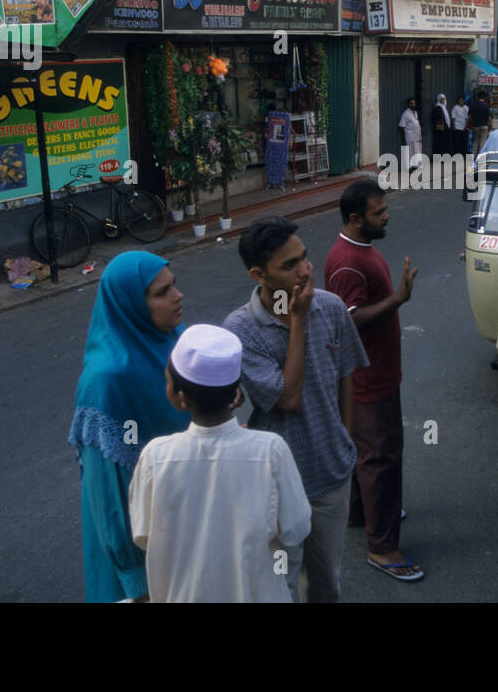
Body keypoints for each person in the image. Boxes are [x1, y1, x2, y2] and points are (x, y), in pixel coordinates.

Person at [223, 217, 367, 603]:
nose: (305, 270)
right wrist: (298, 320)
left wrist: (346, 443)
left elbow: (346, 377)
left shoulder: (332, 308)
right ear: (258, 274)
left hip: (332, 476)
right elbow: (287, 398)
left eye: (304, 258)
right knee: (282, 587)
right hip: (275, 484)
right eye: (289, 265)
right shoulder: (241, 329)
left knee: (325, 585)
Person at [128, 324, 312, 603]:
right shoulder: (271, 451)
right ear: (235, 392)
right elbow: (295, 529)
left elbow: (143, 536)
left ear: (181, 397)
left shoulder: (156, 457)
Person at [68, 252, 189, 602]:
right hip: (138, 536)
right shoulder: (107, 380)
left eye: (174, 285)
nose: (177, 296)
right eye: (161, 292)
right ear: (130, 306)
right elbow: (106, 490)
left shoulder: (173, 340)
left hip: (184, 512)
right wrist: (137, 579)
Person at [324, 180, 424, 582]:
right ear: (354, 219)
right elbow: (349, 319)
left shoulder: (360, 250)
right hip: (368, 380)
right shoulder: (348, 261)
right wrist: (399, 299)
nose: (387, 216)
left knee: (366, 452)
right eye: (379, 213)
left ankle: (363, 511)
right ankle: (382, 548)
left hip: (377, 374)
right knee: (381, 458)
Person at [398, 97, 423, 166]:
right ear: (408, 104)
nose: (413, 105)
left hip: (417, 136)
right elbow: (401, 126)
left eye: (414, 103)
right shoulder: (405, 113)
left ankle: (416, 166)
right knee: (410, 152)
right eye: (411, 103)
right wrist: (404, 138)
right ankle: (410, 167)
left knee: (417, 151)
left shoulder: (415, 113)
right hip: (410, 137)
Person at [468, 90, 492, 154]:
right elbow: (489, 117)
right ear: (484, 97)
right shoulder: (486, 106)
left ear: (478, 97)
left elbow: (469, 116)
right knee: (482, 142)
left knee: (475, 141)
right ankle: (481, 157)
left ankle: (473, 156)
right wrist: (491, 125)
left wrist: (472, 122)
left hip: (475, 126)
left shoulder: (473, 105)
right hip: (484, 126)